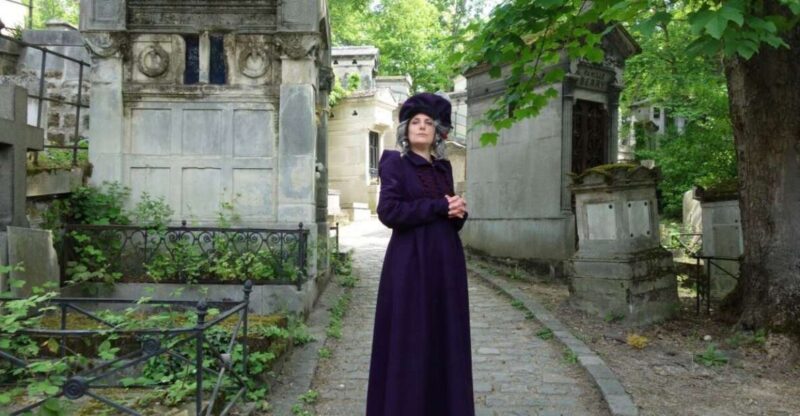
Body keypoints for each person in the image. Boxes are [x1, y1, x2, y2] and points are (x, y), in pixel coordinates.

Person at [366, 92, 474, 416]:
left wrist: (457, 213)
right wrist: (441, 206)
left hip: (445, 264)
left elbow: (447, 218)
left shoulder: (443, 169)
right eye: (416, 122)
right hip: (410, 264)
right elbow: (390, 212)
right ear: (406, 130)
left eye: (429, 123)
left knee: (443, 336)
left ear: (438, 133)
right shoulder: (394, 164)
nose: (422, 127)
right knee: (410, 336)